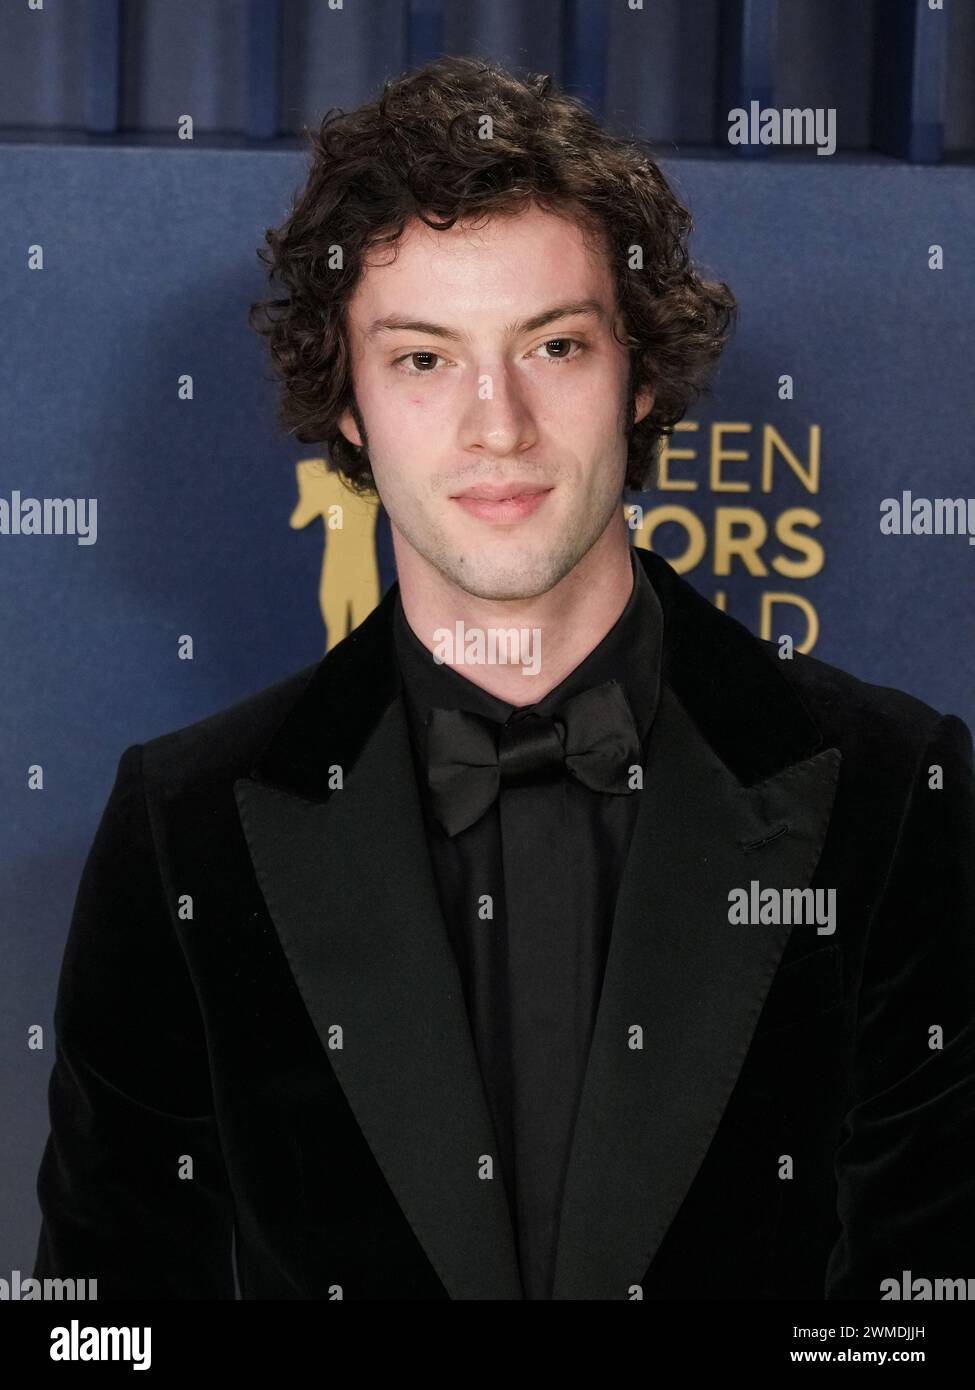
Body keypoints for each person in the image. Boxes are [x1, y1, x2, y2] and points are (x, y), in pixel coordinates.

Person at [33, 55, 975, 1301]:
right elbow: (99, 1329)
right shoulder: (183, 832)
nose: (497, 423)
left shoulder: (896, 796)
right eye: (424, 359)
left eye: (554, 346)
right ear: (350, 404)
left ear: (638, 374)